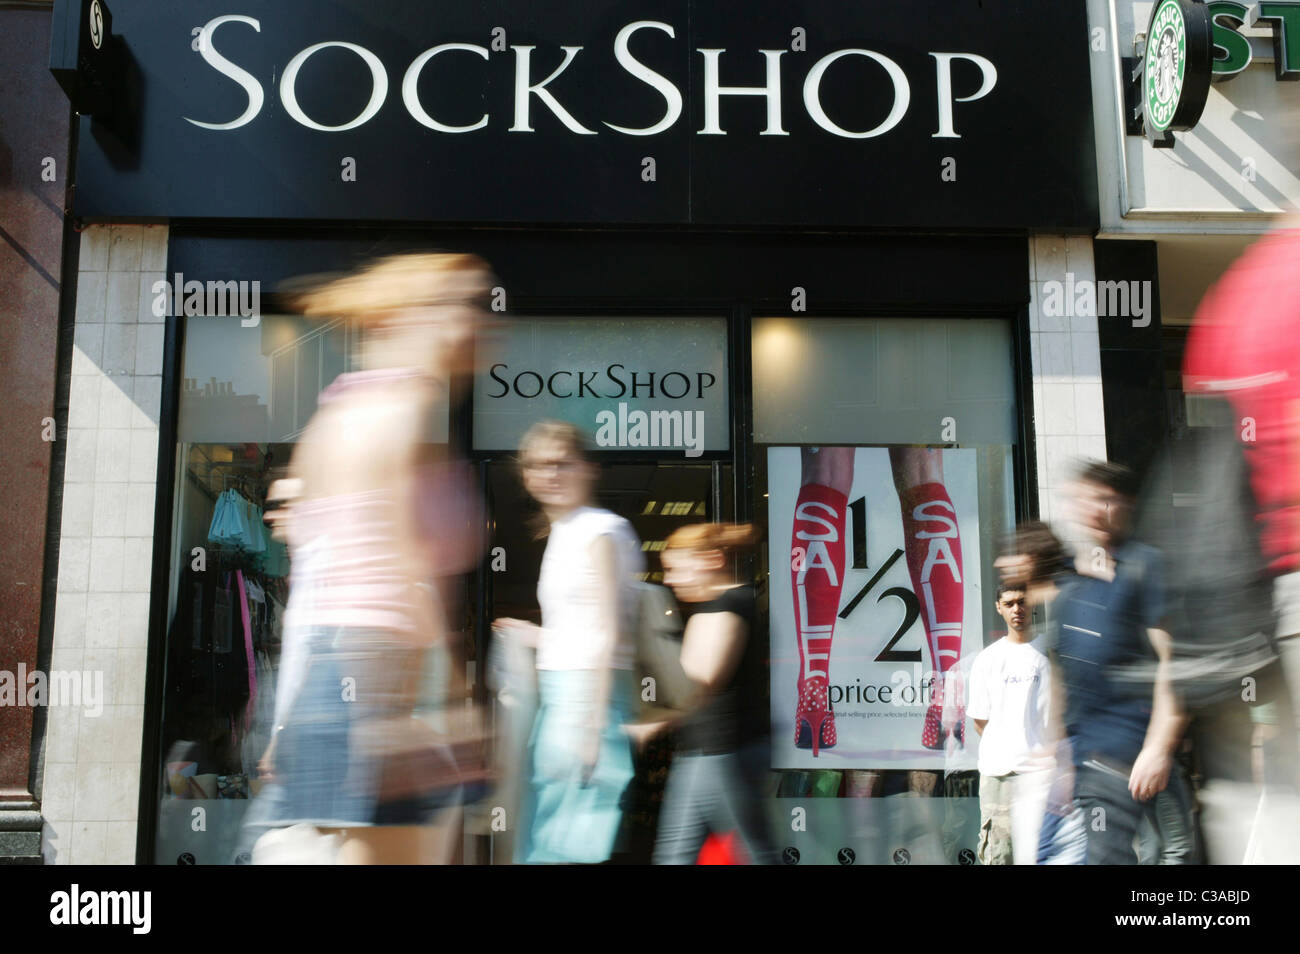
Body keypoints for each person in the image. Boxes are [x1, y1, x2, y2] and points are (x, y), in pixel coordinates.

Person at [252, 252, 491, 864]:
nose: (481, 319)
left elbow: (318, 585)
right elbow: (408, 572)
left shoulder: (344, 408)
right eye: (462, 303)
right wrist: (459, 702)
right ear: (409, 316)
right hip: (373, 683)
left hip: (349, 680)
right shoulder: (402, 411)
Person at [493, 420, 644, 864]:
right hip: (564, 697)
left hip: (584, 699)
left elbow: (609, 629)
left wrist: (593, 723)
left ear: (590, 468)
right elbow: (585, 628)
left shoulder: (600, 530)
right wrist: (535, 635)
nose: (551, 474)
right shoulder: (566, 531)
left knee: (563, 841)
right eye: (539, 465)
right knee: (552, 835)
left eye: (563, 463)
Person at [1048, 461, 1188, 865]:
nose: (1095, 510)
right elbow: (1062, 680)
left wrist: (1159, 748)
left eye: (1106, 500)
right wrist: (1061, 761)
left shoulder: (1144, 566)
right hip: (1094, 764)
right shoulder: (1070, 587)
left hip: (1141, 753)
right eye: (1085, 499)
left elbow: (1171, 662)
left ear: (1125, 505)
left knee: (1173, 852)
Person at [625, 522, 776, 864]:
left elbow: (697, 685)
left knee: (752, 853)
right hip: (707, 753)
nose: (669, 579)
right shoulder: (726, 606)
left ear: (710, 559)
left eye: (675, 568)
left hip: (724, 755)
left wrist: (644, 727)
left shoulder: (725, 609)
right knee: (678, 855)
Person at [968, 581, 1053, 865]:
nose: (1017, 609)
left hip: (1042, 774)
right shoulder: (988, 659)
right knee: (999, 855)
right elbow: (981, 720)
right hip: (999, 773)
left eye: (1022, 601)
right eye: (1009, 603)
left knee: (1041, 854)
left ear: (1032, 604)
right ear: (999, 608)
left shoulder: (1050, 654)